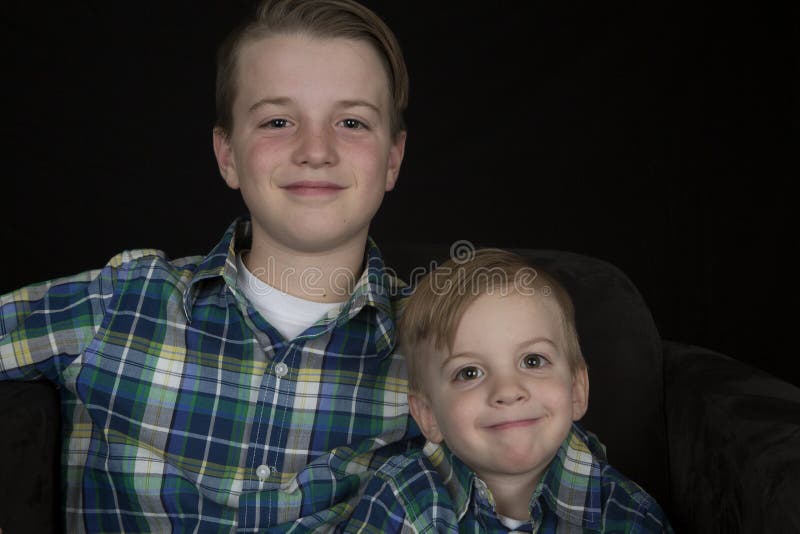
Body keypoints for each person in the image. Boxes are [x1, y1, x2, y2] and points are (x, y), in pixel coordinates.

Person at [0, 0, 418, 531]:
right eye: (279, 120)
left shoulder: (440, 347)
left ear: (392, 160)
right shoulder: (125, 301)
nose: (317, 150)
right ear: (227, 156)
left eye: (352, 121)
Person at [344, 249, 673, 532]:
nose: (508, 390)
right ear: (429, 416)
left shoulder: (626, 515)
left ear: (576, 390)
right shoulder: (402, 499)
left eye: (533, 361)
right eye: (469, 372)